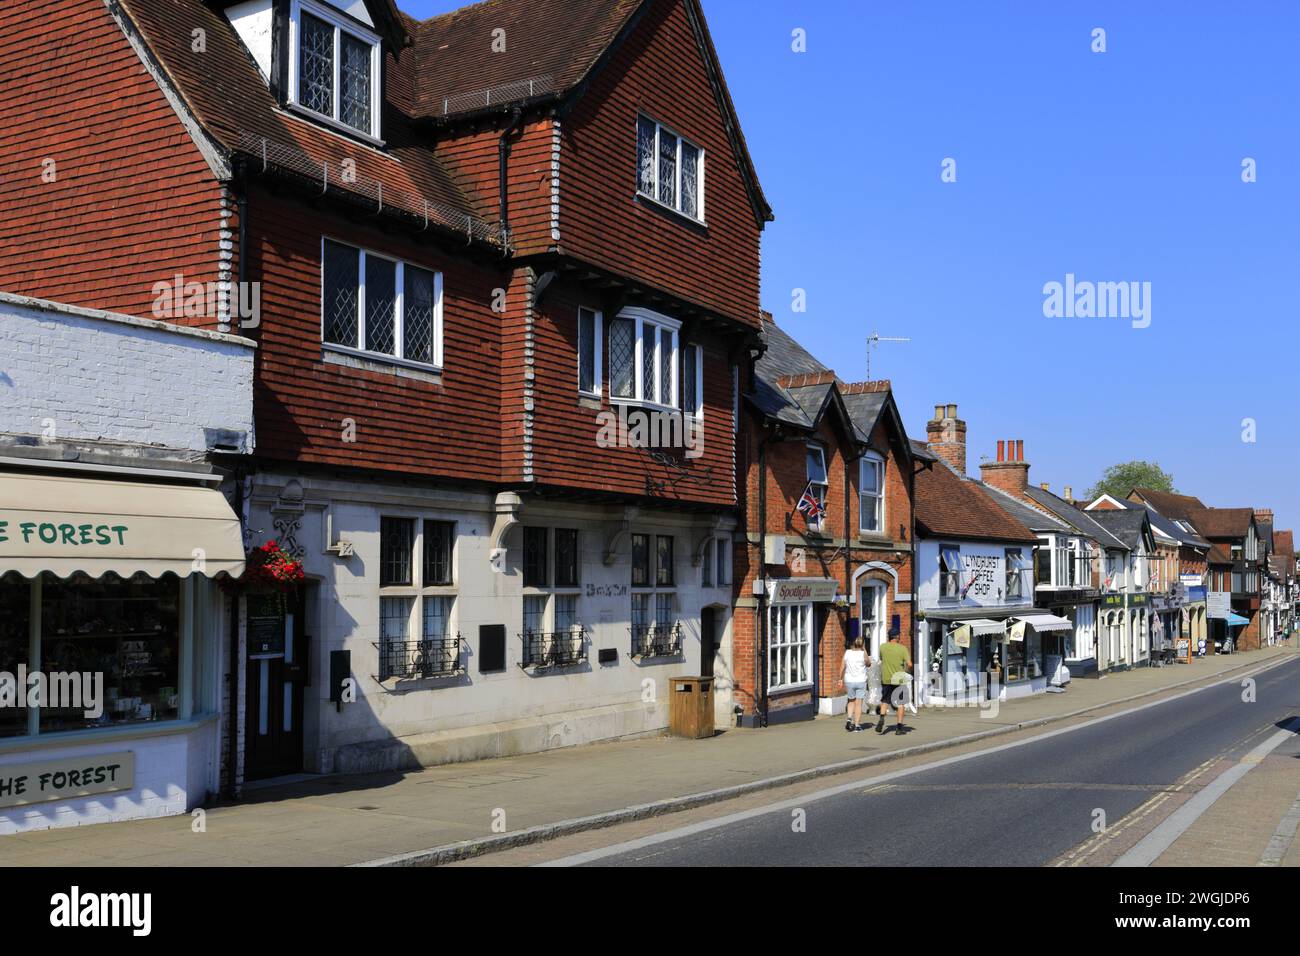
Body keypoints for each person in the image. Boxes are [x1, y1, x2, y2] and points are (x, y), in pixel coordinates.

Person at [875, 628, 913, 735]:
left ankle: (881, 719)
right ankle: (899, 728)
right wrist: (905, 671)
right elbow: (909, 664)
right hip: (899, 679)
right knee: (900, 703)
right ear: (896, 637)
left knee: (885, 700)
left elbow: (881, 660)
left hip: (886, 678)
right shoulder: (902, 649)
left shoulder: (882, 647)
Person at [840, 637, 871, 732]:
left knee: (850, 701)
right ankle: (857, 725)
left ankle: (849, 719)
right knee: (858, 703)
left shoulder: (848, 652)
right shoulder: (863, 654)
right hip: (861, 681)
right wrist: (864, 649)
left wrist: (839, 679)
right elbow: (868, 664)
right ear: (862, 644)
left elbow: (842, 666)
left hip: (849, 680)